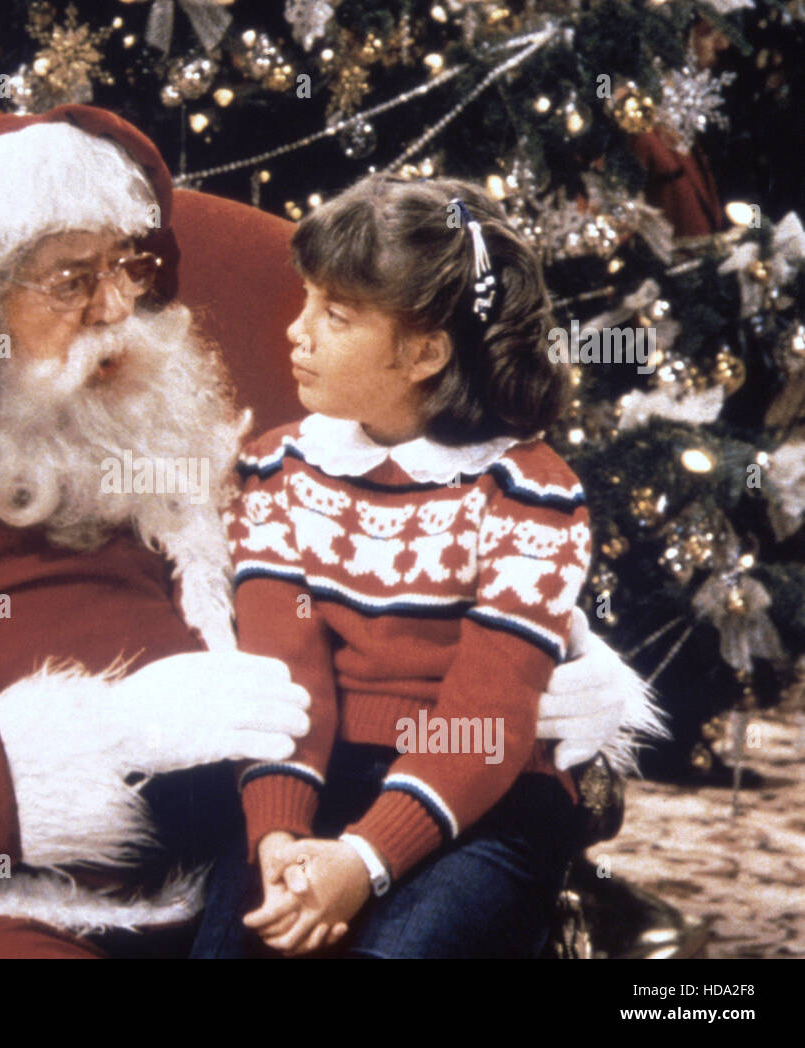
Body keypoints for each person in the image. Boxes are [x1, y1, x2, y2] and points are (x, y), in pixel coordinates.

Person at [0, 106, 651, 959]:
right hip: (38, 909)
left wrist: (558, 657)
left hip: (277, 854)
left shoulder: (167, 426)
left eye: (124, 267)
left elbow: (387, 573)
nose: (115, 308)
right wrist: (111, 737)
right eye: (74, 278)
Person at [192, 174, 663, 959]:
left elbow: (489, 715)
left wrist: (363, 861)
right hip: (323, 773)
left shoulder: (531, 494)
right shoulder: (277, 468)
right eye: (307, 299)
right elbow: (286, 670)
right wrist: (279, 833)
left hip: (490, 791)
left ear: (424, 352)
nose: (295, 333)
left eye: (334, 316)